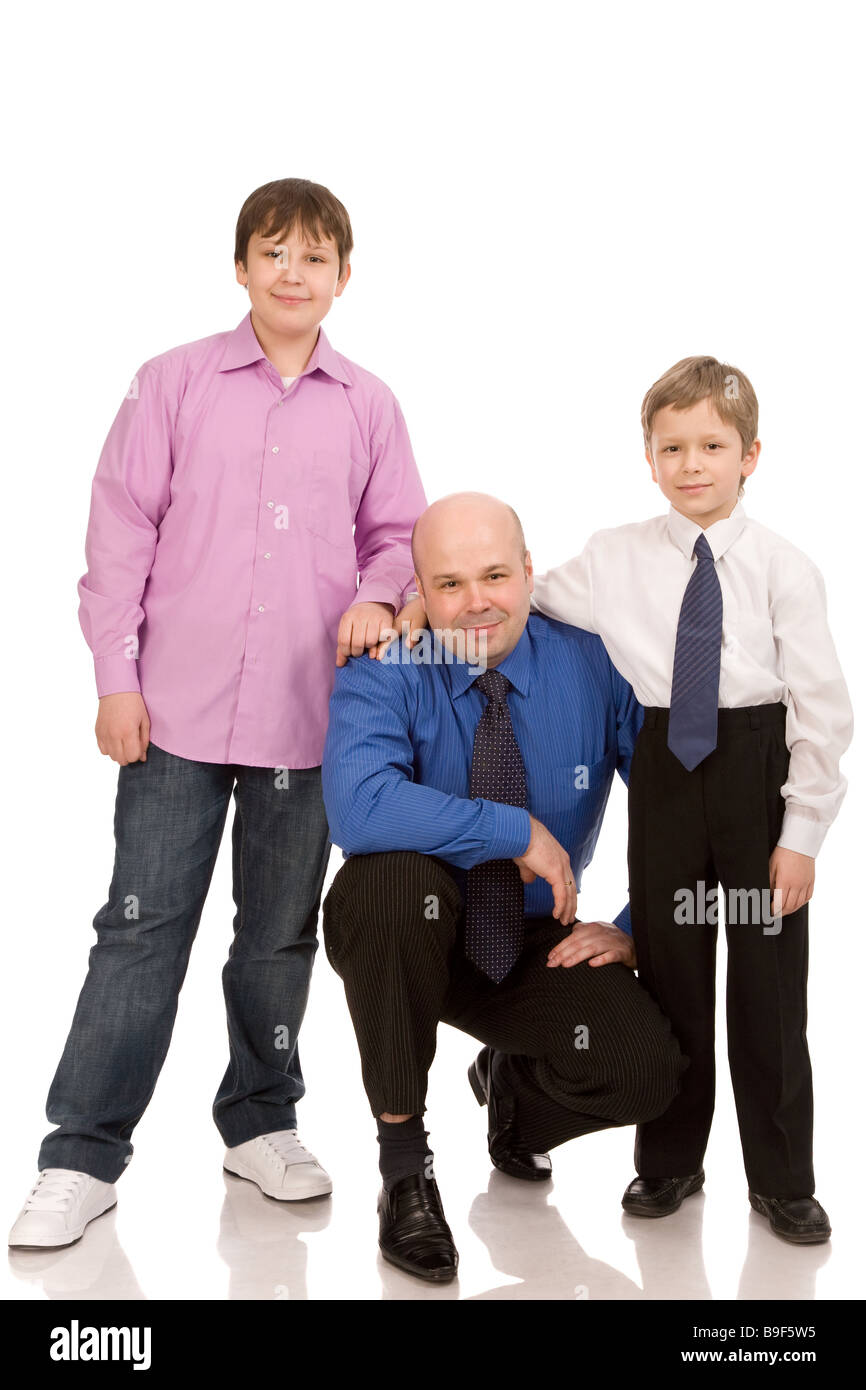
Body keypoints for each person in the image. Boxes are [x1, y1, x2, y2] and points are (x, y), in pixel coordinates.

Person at [8, 177, 425, 1250]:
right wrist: (116, 678)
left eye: (315, 257)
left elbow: (397, 534)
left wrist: (380, 595)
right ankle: (80, 1153)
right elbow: (119, 535)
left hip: (308, 717)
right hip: (173, 716)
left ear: (344, 278)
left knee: (278, 936)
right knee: (140, 929)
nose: (294, 272)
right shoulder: (171, 383)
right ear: (240, 266)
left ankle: (261, 1119)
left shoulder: (368, 403)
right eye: (273, 252)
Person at [526, 356, 853, 1243]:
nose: (692, 463)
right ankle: (668, 1162)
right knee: (671, 972)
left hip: (756, 769)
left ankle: (783, 1179)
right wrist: (417, 600)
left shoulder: (786, 568)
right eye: (672, 446)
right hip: (665, 767)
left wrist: (804, 835)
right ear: (649, 456)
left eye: (712, 444)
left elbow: (824, 709)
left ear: (752, 454)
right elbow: (527, 597)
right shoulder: (614, 556)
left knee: (768, 985)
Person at [321, 492, 686, 1283]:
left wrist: (632, 924)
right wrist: (510, 831)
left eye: (494, 575)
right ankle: (403, 1169)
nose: (476, 601)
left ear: (529, 572)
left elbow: (674, 809)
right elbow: (357, 806)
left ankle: (512, 1088)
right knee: (387, 881)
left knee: (643, 1069)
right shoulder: (389, 666)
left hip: (526, 941)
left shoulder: (594, 662)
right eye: (449, 584)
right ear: (418, 592)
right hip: (402, 929)